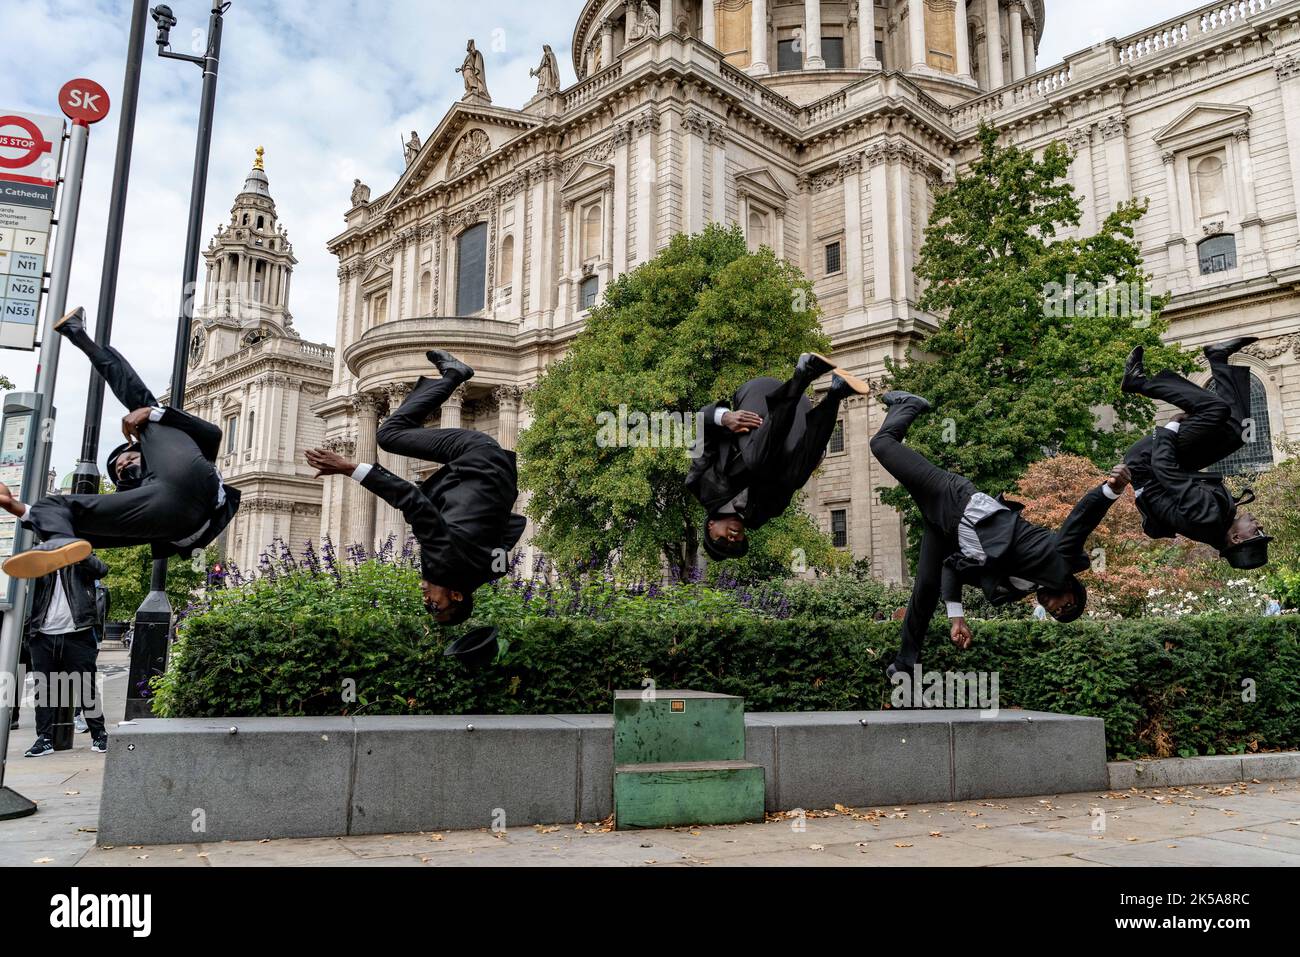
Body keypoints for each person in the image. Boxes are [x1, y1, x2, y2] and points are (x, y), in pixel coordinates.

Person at [869, 390, 1126, 677]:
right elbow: (1079, 522)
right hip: (955, 500)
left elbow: (952, 569)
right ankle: (909, 405)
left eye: (1055, 615)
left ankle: (905, 664)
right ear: (1071, 592)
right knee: (881, 444)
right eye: (1064, 608)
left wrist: (957, 618)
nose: (1055, 609)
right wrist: (1110, 489)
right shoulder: (1058, 558)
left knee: (926, 588)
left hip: (948, 533)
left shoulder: (1011, 590)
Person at [0, 308, 241, 580]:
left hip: (198, 487)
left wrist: (154, 414)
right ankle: (60, 540)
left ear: (138, 448)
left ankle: (78, 335)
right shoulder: (137, 497)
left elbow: (212, 433)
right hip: (172, 517)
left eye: (124, 458)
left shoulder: (173, 447)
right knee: (56, 508)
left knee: (143, 406)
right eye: (117, 471)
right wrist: (16, 507)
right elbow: (105, 532)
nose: (122, 465)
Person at [305, 350, 526, 624]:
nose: (425, 601)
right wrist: (350, 468)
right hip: (474, 455)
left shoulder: (493, 570)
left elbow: (515, 523)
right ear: (456, 596)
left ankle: (451, 377)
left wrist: (474, 504)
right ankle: (454, 375)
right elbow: (411, 500)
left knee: (397, 436)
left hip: (494, 466)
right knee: (389, 434)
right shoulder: (443, 562)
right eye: (434, 607)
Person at [686, 353, 870, 561]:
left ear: (710, 527)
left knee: (756, 463)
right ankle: (836, 393)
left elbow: (701, 425)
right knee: (795, 479)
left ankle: (802, 375)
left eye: (722, 540)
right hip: (797, 414)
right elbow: (790, 478)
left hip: (755, 400)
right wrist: (815, 457)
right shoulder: (762, 514)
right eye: (736, 543)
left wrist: (725, 417)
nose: (732, 539)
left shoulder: (697, 485)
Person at [1119, 338, 1270, 569]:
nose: (1259, 525)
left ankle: (1138, 382)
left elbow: (1165, 469)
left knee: (1215, 410)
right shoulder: (1217, 522)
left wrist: (1171, 428)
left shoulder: (1207, 517)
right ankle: (1218, 357)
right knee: (1239, 431)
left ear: (1236, 538)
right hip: (1168, 464)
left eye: (1257, 532)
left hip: (1149, 460)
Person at [22, 555, 109, 757]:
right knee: (43, 689)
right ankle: (44, 738)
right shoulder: (39, 557)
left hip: (78, 632)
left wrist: (79, 554)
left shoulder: (79, 554)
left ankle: (99, 734)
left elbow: (101, 569)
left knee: (86, 686)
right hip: (42, 633)